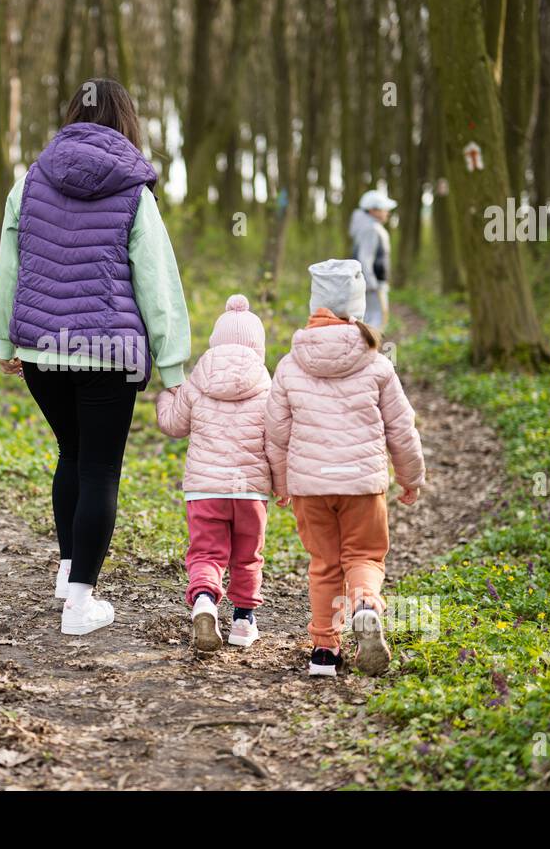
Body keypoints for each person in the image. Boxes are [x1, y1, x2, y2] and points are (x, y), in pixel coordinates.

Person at [0, 78, 191, 636]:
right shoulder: (134, 192)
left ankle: (67, 573)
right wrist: (173, 368)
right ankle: (80, 605)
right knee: (100, 467)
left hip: (43, 350)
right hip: (108, 353)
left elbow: (11, 265)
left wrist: (6, 341)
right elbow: (157, 281)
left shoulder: (28, 183)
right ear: (126, 121)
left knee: (71, 453)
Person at [264, 258, 425, 677]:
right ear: (357, 307)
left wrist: (280, 482)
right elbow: (401, 427)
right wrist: (411, 477)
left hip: (309, 487)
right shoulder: (376, 363)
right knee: (364, 557)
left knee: (324, 564)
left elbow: (276, 432)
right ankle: (366, 605)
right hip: (363, 485)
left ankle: (323, 652)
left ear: (315, 304)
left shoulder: (289, 363)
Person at [156, 294, 272, 653]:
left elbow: (174, 425)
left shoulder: (198, 379)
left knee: (206, 553)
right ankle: (242, 621)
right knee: (247, 556)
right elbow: (278, 439)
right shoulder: (266, 384)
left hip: (205, 490)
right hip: (251, 491)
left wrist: (165, 397)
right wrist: (282, 484)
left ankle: (205, 600)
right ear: (258, 347)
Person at [348, 189, 397, 330]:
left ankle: (368, 350)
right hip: (373, 285)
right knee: (376, 321)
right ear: (372, 210)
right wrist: (372, 284)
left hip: (372, 284)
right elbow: (365, 259)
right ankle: (369, 351)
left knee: (371, 319)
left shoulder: (368, 227)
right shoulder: (371, 229)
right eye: (384, 209)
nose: (387, 212)